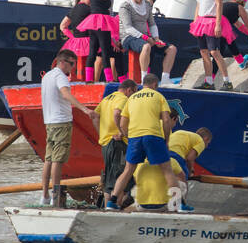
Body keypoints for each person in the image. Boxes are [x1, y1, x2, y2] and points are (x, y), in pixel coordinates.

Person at [109, 73, 190, 211]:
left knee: (128, 170)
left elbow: (122, 123)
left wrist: (128, 136)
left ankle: (112, 202)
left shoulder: (131, 98)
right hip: (153, 136)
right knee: (167, 170)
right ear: (155, 85)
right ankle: (180, 204)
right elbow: (165, 120)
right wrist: (166, 139)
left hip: (135, 137)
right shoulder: (158, 96)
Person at [40, 49, 95, 207]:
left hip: (49, 122)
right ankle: (56, 197)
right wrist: (85, 110)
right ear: (62, 62)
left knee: (49, 159)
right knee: (58, 159)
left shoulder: (48, 76)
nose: (72, 68)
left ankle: (44, 196)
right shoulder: (60, 77)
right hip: (61, 122)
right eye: (71, 64)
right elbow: (65, 94)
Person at [118, 0, 178, 83]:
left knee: (172, 49)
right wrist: (146, 38)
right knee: (146, 46)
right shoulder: (125, 6)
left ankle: (165, 79)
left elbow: (152, 23)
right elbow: (128, 28)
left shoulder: (147, 5)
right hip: (128, 37)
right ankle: (144, 78)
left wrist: (156, 38)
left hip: (144, 37)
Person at [190, 0, 233, 90]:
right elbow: (198, 4)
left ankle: (227, 81)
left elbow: (219, 4)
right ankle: (209, 81)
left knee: (214, 52)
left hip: (212, 20)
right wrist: (195, 20)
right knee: (203, 52)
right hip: (201, 21)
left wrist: (218, 24)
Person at [94, 77, 135, 208]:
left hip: (106, 143)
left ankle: (109, 208)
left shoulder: (106, 98)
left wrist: (102, 134)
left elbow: (94, 116)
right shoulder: (122, 99)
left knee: (109, 179)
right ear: (129, 90)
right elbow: (117, 113)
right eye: (133, 94)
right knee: (119, 179)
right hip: (118, 144)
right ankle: (112, 209)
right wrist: (121, 131)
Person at [84, 0, 126, 82]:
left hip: (93, 22)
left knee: (92, 51)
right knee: (105, 51)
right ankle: (109, 80)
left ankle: (88, 80)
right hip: (102, 22)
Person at [59, 0, 94, 80]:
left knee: (75, 65)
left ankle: (75, 81)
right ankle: (90, 82)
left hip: (75, 41)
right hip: (88, 40)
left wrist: (73, 37)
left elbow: (62, 26)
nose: (92, 0)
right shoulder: (89, 9)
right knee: (92, 62)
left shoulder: (73, 9)